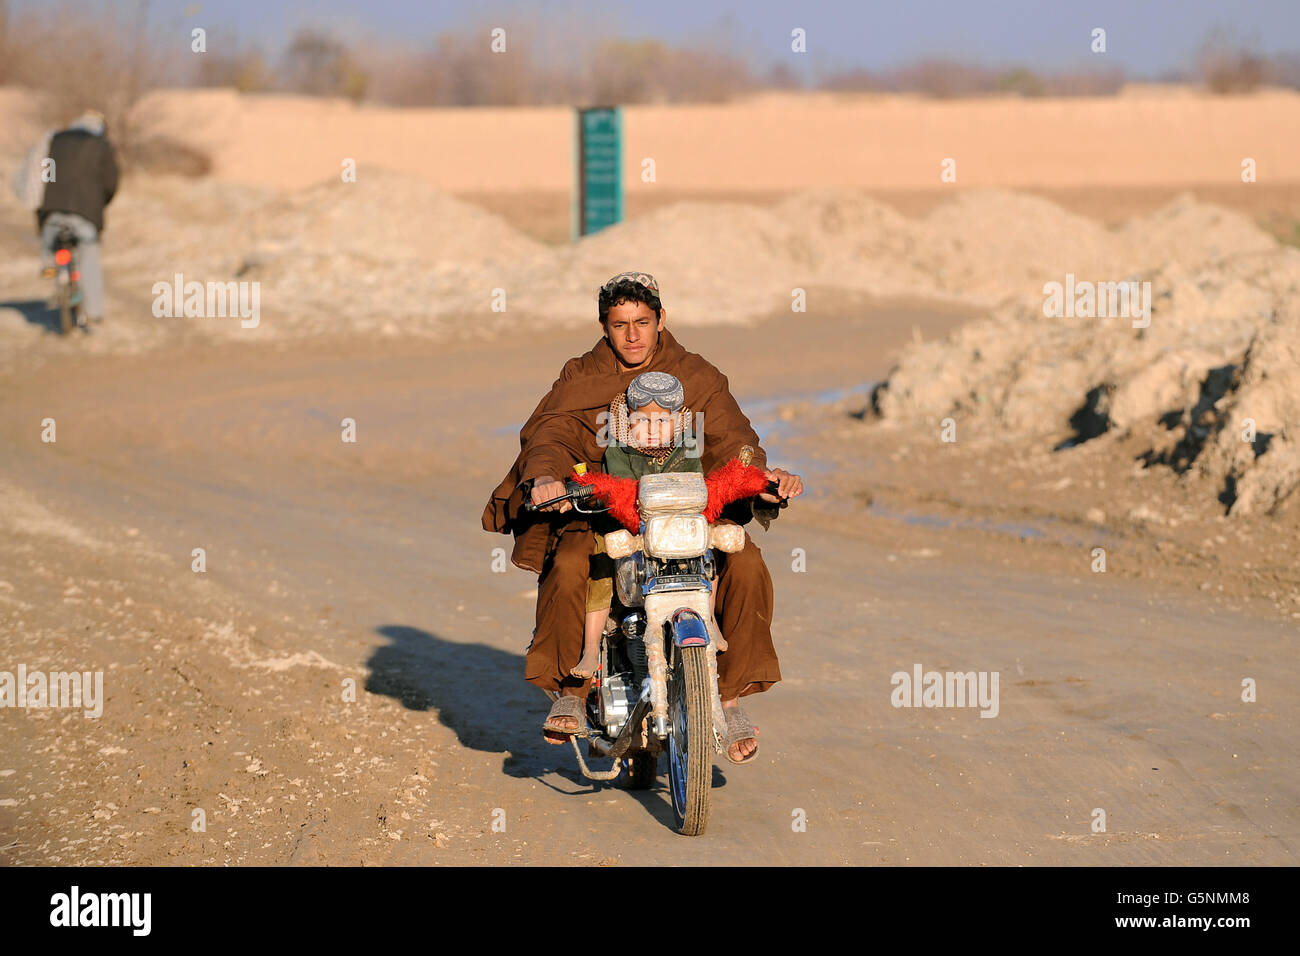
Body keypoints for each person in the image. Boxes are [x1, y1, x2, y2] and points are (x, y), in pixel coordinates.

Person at [481, 271, 804, 764]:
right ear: (604, 326)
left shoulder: (696, 376)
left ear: (661, 321)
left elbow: (733, 438)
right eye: (619, 324)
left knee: (747, 563)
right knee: (570, 565)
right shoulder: (582, 375)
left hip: (683, 513)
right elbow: (551, 433)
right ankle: (574, 681)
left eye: (643, 322)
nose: (632, 335)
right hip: (603, 510)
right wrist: (547, 478)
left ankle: (729, 695)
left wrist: (764, 477)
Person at [568, 370, 708, 682]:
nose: (652, 430)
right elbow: (622, 490)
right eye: (642, 421)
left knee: (709, 557)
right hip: (628, 526)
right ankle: (591, 647)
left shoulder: (687, 447)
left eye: (662, 421)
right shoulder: (619, 448)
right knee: (603, 563)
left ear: (679, 420)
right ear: (628, 419)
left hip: (674, 526)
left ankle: (711, 623)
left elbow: (695, 486)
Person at [35, 110, 119, 327]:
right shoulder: (100, 144)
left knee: (48, 240)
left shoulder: (56, 140)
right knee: (89, 257)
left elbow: (46, 174)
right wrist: (101, 201)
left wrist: (49, 198)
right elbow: (111, 181)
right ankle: (94, 311)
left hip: (52, 209)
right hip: (86, 214)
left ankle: (48, 265)